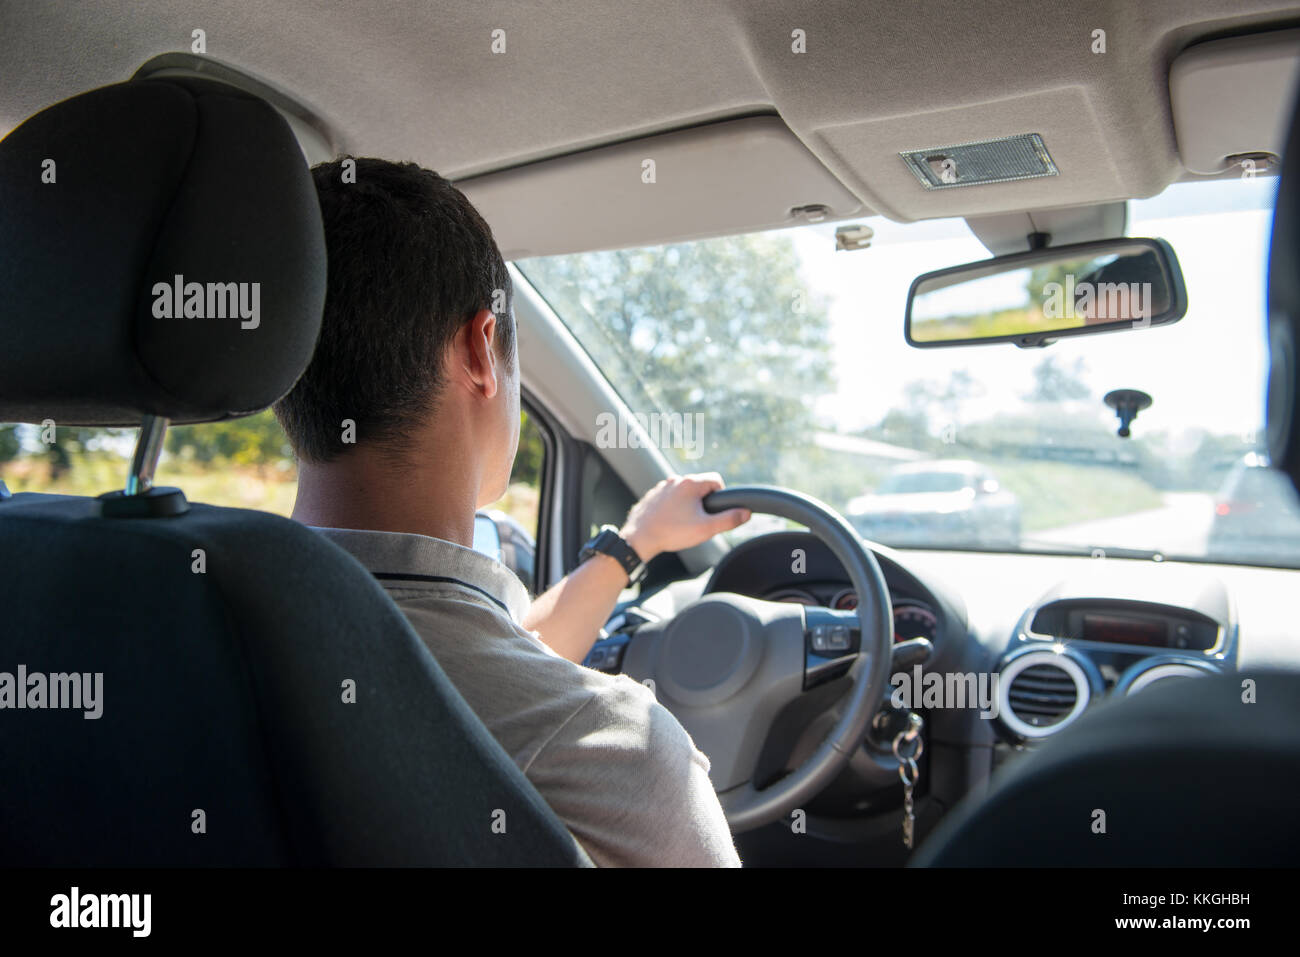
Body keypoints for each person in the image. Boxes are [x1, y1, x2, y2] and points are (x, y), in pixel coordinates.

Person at [273, 157, 751, 867]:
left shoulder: (172, 619)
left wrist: (634, 544)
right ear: (479, 349)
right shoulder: (617, 753)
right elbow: (491, 687)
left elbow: (479, 661)